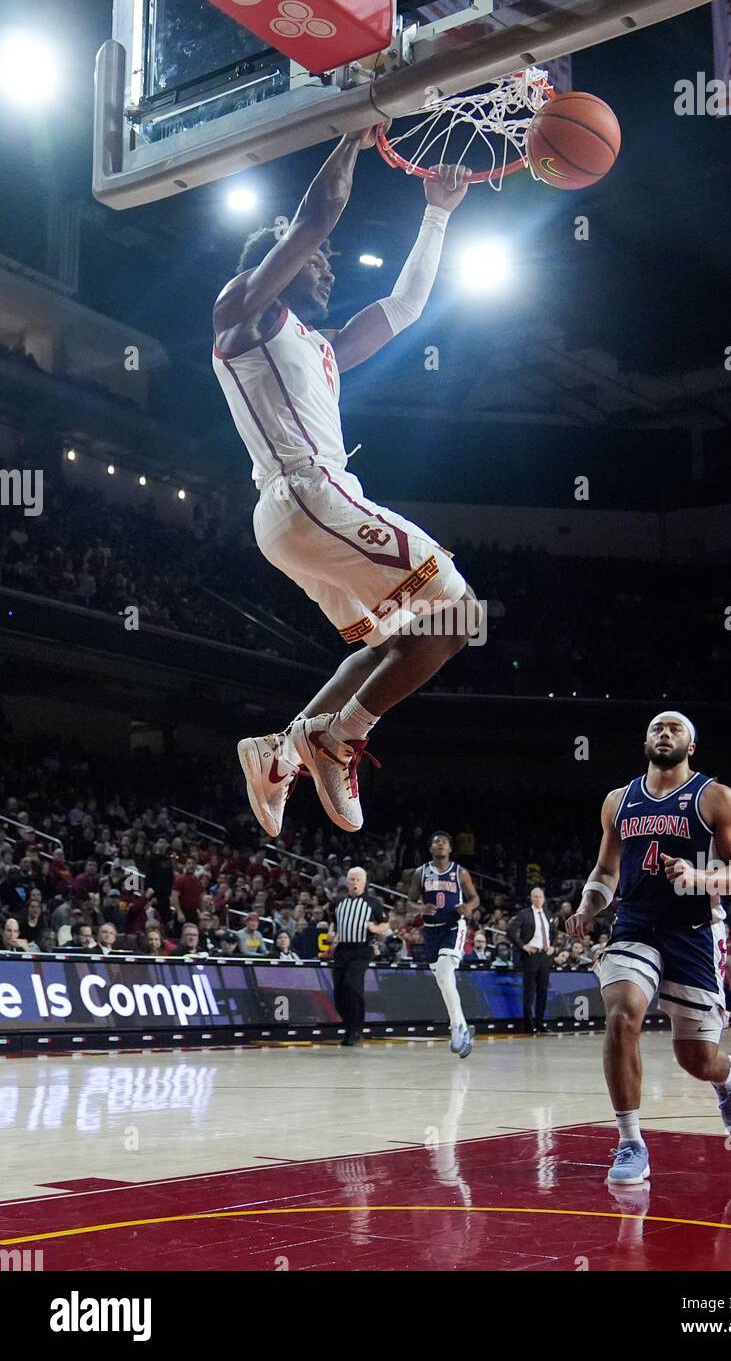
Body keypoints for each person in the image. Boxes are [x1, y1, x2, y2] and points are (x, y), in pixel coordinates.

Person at [214, 130, 478, 840]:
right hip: (306, 493)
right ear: (276, 266)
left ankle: (282, 753)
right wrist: (354, 133)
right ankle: (338, 738)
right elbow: (316, 218)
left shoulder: (318, 345)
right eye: (318, 263)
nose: (327, 268)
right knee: (459, 612)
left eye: (328, 262)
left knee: (398, 640)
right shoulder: (242, 312)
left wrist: (438, 212)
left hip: (298, 512)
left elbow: (405, 307)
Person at [566, 710, 731, 1186]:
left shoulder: (715, 796)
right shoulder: (617, 800)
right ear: (645, 740)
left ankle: (726, 1079)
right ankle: (631, 1142)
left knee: (695, 1059)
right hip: (635, 924)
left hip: (693, 928)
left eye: (674, 729)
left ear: (691, 745)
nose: (663, 733)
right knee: (622, 1014)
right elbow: (606, 872)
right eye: (655, 727)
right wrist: (590, 905)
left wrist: (698, 878)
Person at [408, 831, 480, 1057]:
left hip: (453, 927)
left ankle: (457, 1027)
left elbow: (475, 898)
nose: (440, 845)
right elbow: (409, 902)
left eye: (444, 842)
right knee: (443, 980)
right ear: (431, 848)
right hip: (431, 932)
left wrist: (468, 908)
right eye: (436, 842)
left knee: (444, 973)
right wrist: (420, 909)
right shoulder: (421, 872)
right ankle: (461, 1025)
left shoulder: (460, 872)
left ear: (450, 849)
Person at [331, 867, 390, 1046]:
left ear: (364, 883)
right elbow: (333, 923)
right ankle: (349, 1027)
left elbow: (385, 924)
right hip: (342, 949)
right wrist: (331, 933)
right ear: (347, 882)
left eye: (358, 880)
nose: (354, 883)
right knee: (339, 991)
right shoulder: (338, 902)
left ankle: (356, 1029)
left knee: (352, 985)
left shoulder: (373, 903)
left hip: (362, 949)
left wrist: (374, 929)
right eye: (351, 880)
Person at [510, 887, 555, 1033]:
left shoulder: (548, 914)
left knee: (543, 990)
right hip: (531, 955)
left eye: (540, 897)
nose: (538, 899)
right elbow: (510, 931)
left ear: (544, 898)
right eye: (535, 897)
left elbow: (552, 933)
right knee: (529, 990)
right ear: (531, 898)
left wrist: (552, 946)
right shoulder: (524, 914)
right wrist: (523, 946)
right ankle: (529, 1024)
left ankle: (540, 1022)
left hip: (545, 956)